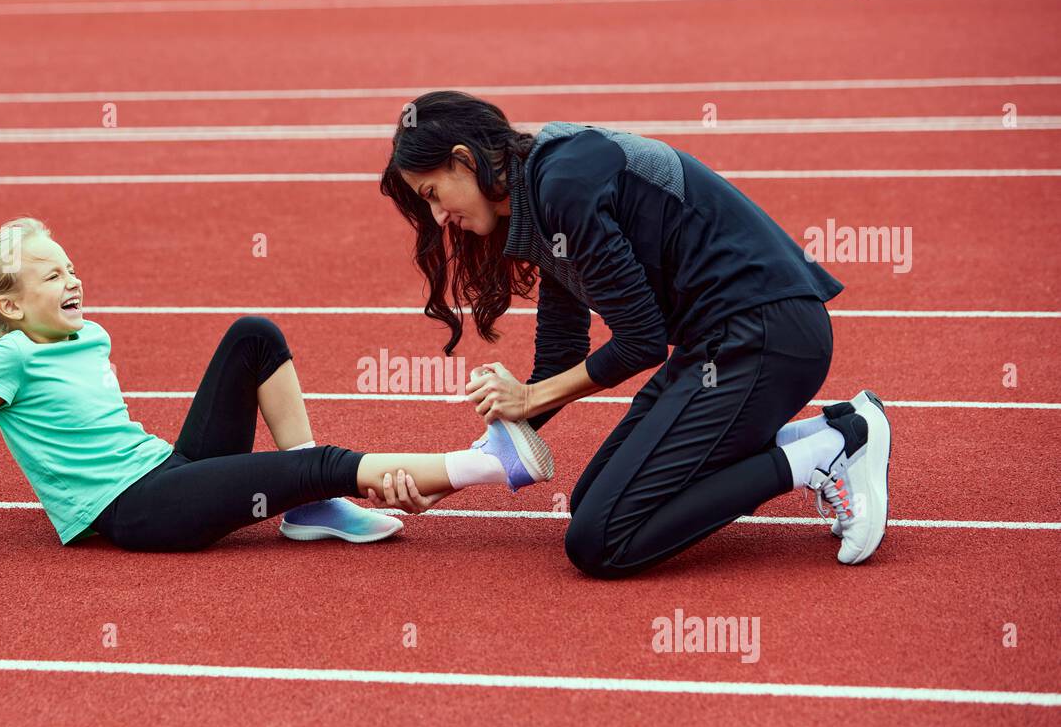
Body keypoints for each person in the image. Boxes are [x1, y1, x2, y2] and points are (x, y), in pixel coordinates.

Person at [0, 218, 555, 572]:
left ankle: (308, 512)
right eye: (51, 276)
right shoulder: (10, 358)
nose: (72, 280)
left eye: (71, 266)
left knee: (253, 333)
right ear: (12, 307)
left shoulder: (89, 334)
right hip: (137, 512)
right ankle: (487, 464)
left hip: (166, 468)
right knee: (320, 461)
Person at [381, 91, 892, 578]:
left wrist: (529, 397)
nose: (439, 216)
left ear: (465, 160)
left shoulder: (562, 183)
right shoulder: (538, 195)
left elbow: (640, 340)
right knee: (594, 502)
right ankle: (818, 436)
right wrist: (459, 473)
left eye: (432, 193)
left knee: (602, 540)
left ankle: (826, 451)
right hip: (717, 346)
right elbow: (562, 350)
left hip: (766, 338)